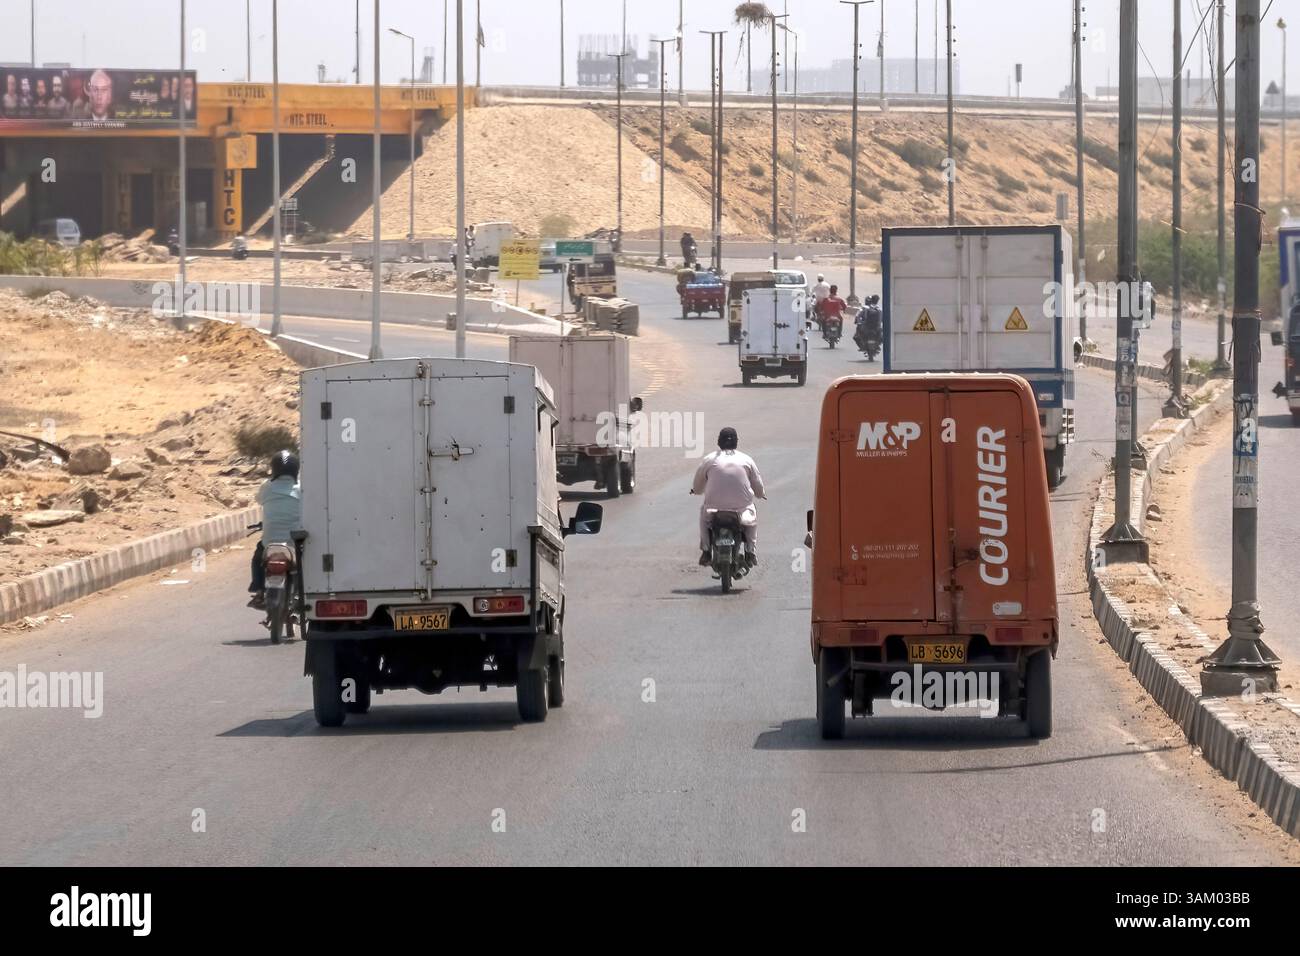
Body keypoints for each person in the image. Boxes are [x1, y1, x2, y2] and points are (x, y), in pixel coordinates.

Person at [691, 427, 766, 567]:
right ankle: (750, 551)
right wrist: (761, 494)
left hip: (713, 509)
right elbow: (758, 485)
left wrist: (696, 491)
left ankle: (706, 551)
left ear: (719, 441)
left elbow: (698, 484)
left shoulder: (709, 459)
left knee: (703, 516)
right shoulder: (747, 459)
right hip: (741, 510)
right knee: (752, 520)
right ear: (736, 442)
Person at [247, 450, 302, 608]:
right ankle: (300, 593)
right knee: (304, 561)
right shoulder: (302, 488)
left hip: (270, 542)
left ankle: (258, 590)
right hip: (293, 541)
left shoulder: (266, 487)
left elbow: (258, 500)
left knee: (258, 556)